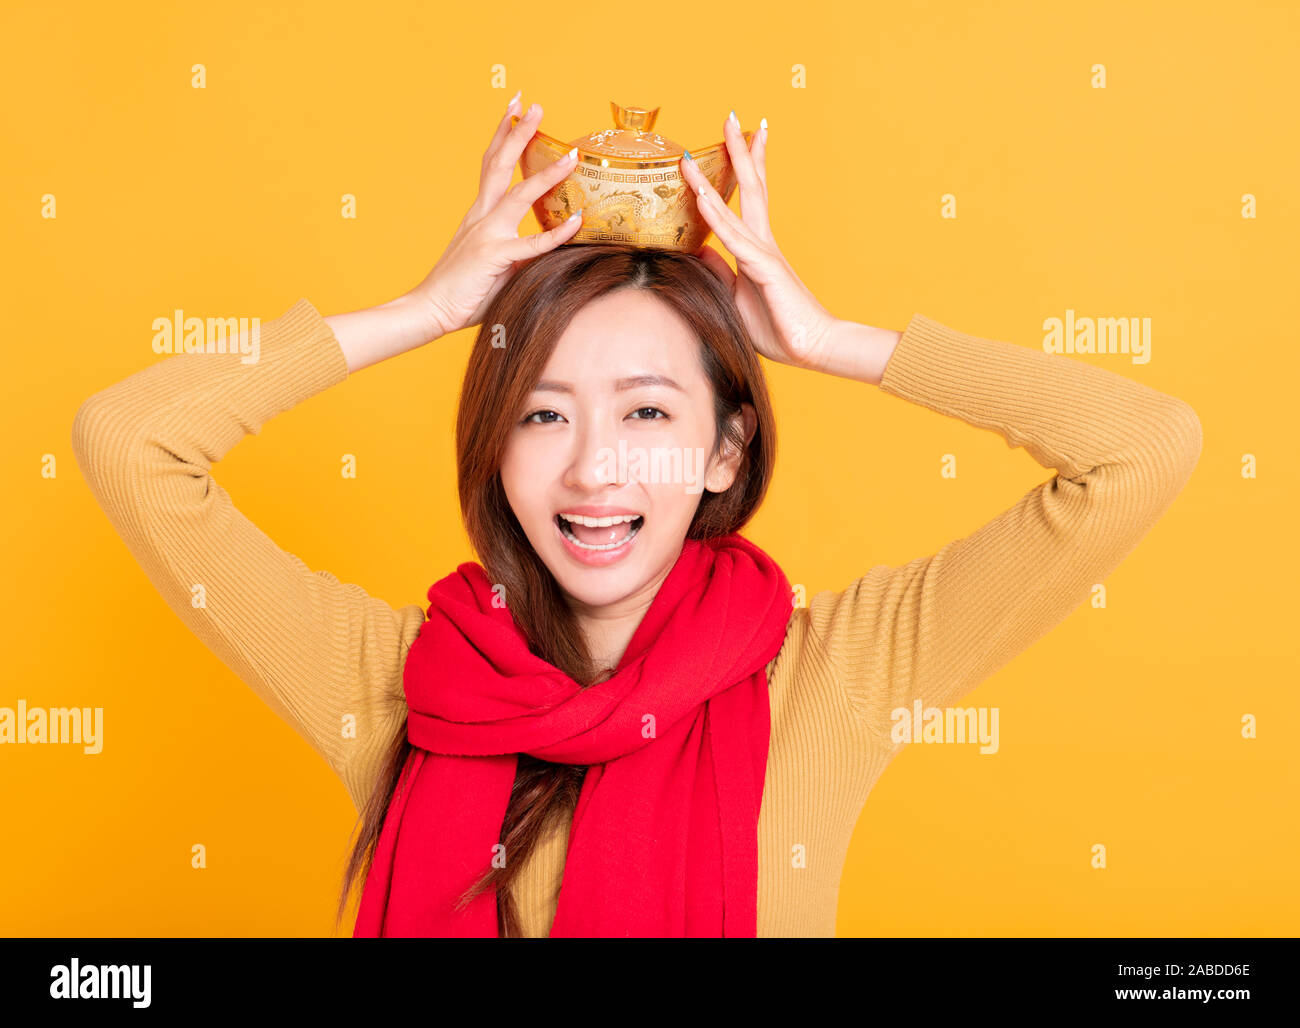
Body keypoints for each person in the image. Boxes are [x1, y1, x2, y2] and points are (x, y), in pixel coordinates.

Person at [71, 96, 1203, 938]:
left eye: (649, 410)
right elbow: (131, 441)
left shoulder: (836, 674)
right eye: (542, 412)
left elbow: (1139, 449)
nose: (593, 468)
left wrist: (831, 342)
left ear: (723, 449)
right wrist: (426, 310)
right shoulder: (400, 683)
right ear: (493, 444)